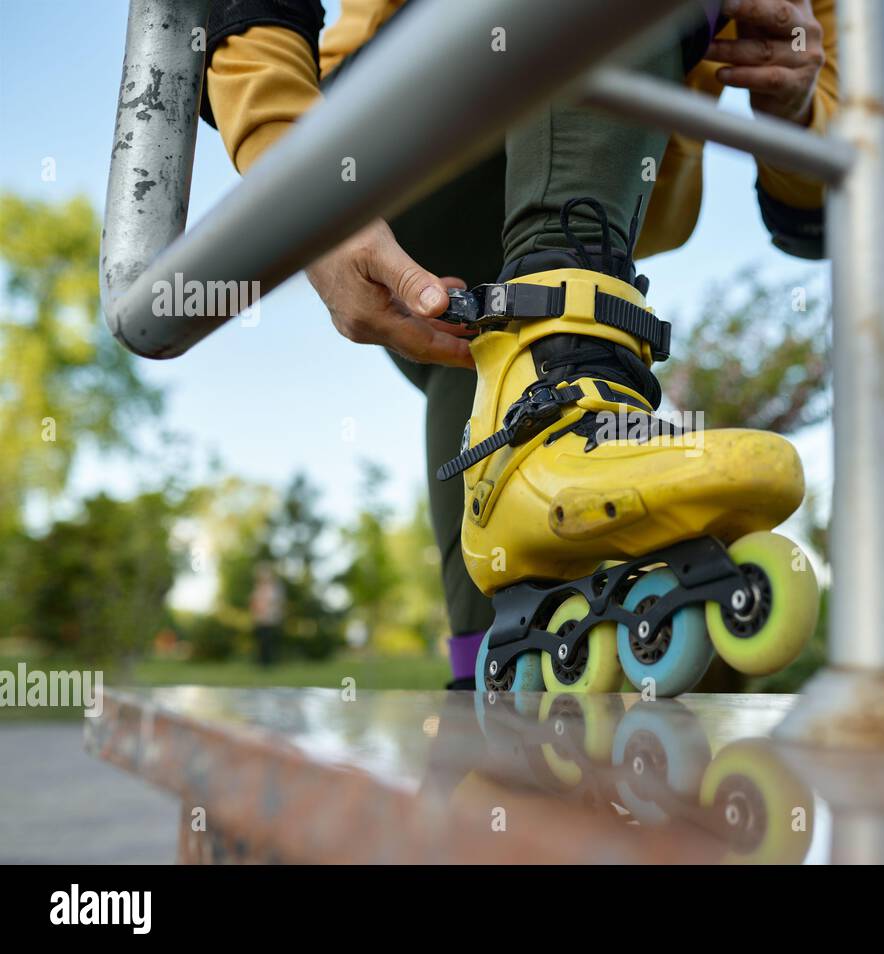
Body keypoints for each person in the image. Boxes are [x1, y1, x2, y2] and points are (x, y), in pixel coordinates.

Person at [201, 0, 838, 687]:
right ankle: (558, 410)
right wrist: (307, 196)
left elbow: (820, 209)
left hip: (587, 165)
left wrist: (799, 105)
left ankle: (491, 653)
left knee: (494, 363)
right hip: (399, 131)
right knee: (538, 325)